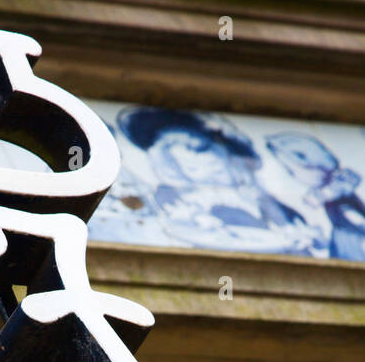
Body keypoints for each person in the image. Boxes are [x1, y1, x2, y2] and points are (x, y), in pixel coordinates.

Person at [117, 107, 319, 255]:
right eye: (171, 152)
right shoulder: (168, 198)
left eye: (199, 148)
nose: (188, 160)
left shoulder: (265, 200)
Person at [266, 131, 365, 265]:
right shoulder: (333, 190)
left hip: (358, 239)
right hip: (356, 235)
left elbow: (356, 218)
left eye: (291, 171)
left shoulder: (336, 192)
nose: (294, 176)